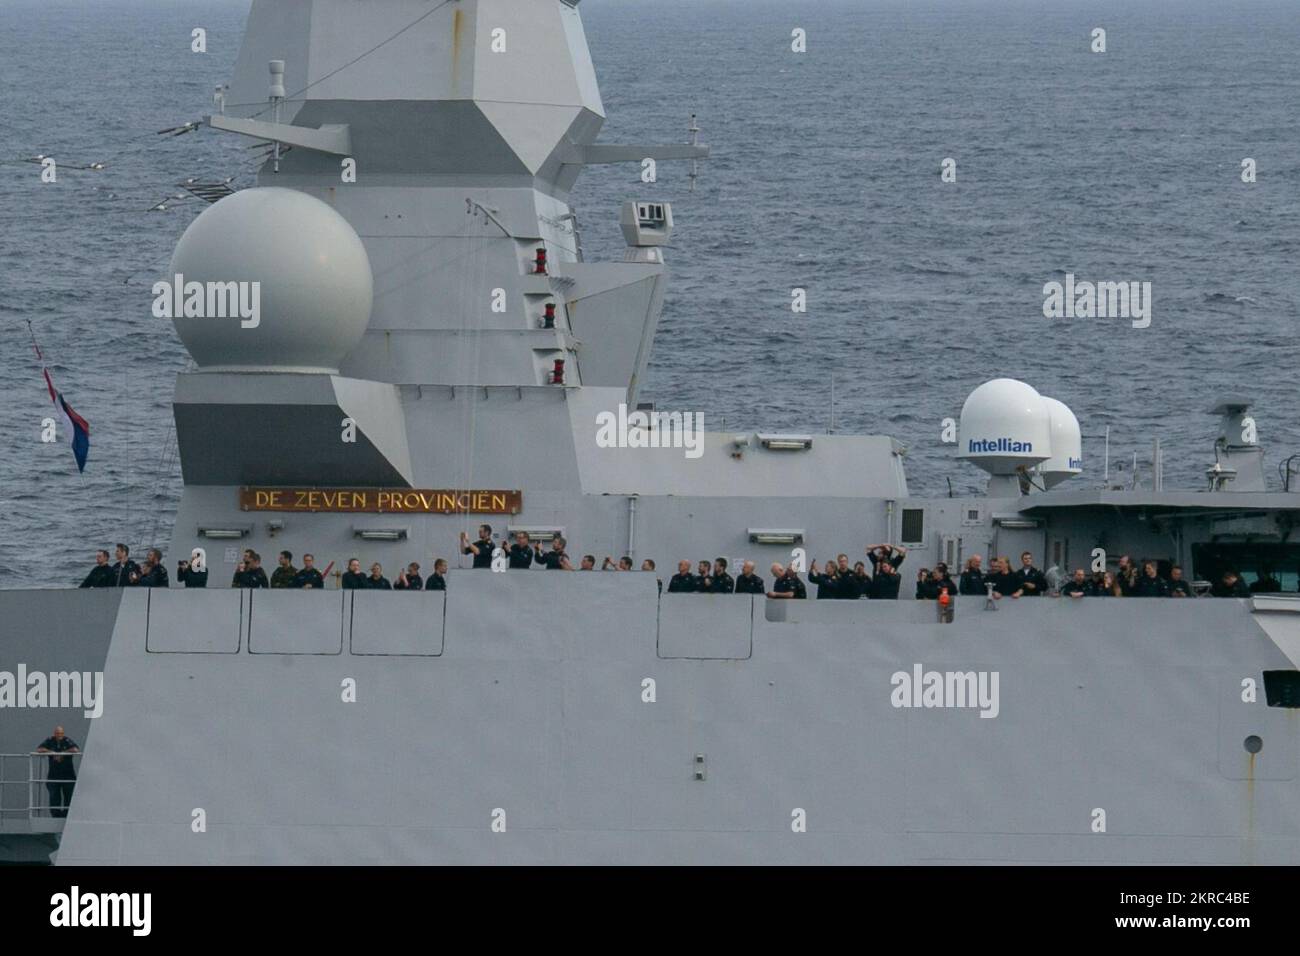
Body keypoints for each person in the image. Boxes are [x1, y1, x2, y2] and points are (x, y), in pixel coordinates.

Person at [36, 726, 79, 818]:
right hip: (53, 776)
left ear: (63, 734)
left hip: (68, 775)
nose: (59, 735)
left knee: (69, 796)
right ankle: (56, 816)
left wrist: (62, 753)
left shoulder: (67, 741)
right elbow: (39, 749)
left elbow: (75, 749)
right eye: (57, 733)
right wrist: (53, 752)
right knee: (54, 797)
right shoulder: (50, 740)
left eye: (61, 733)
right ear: (54, 734)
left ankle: (66, 816)